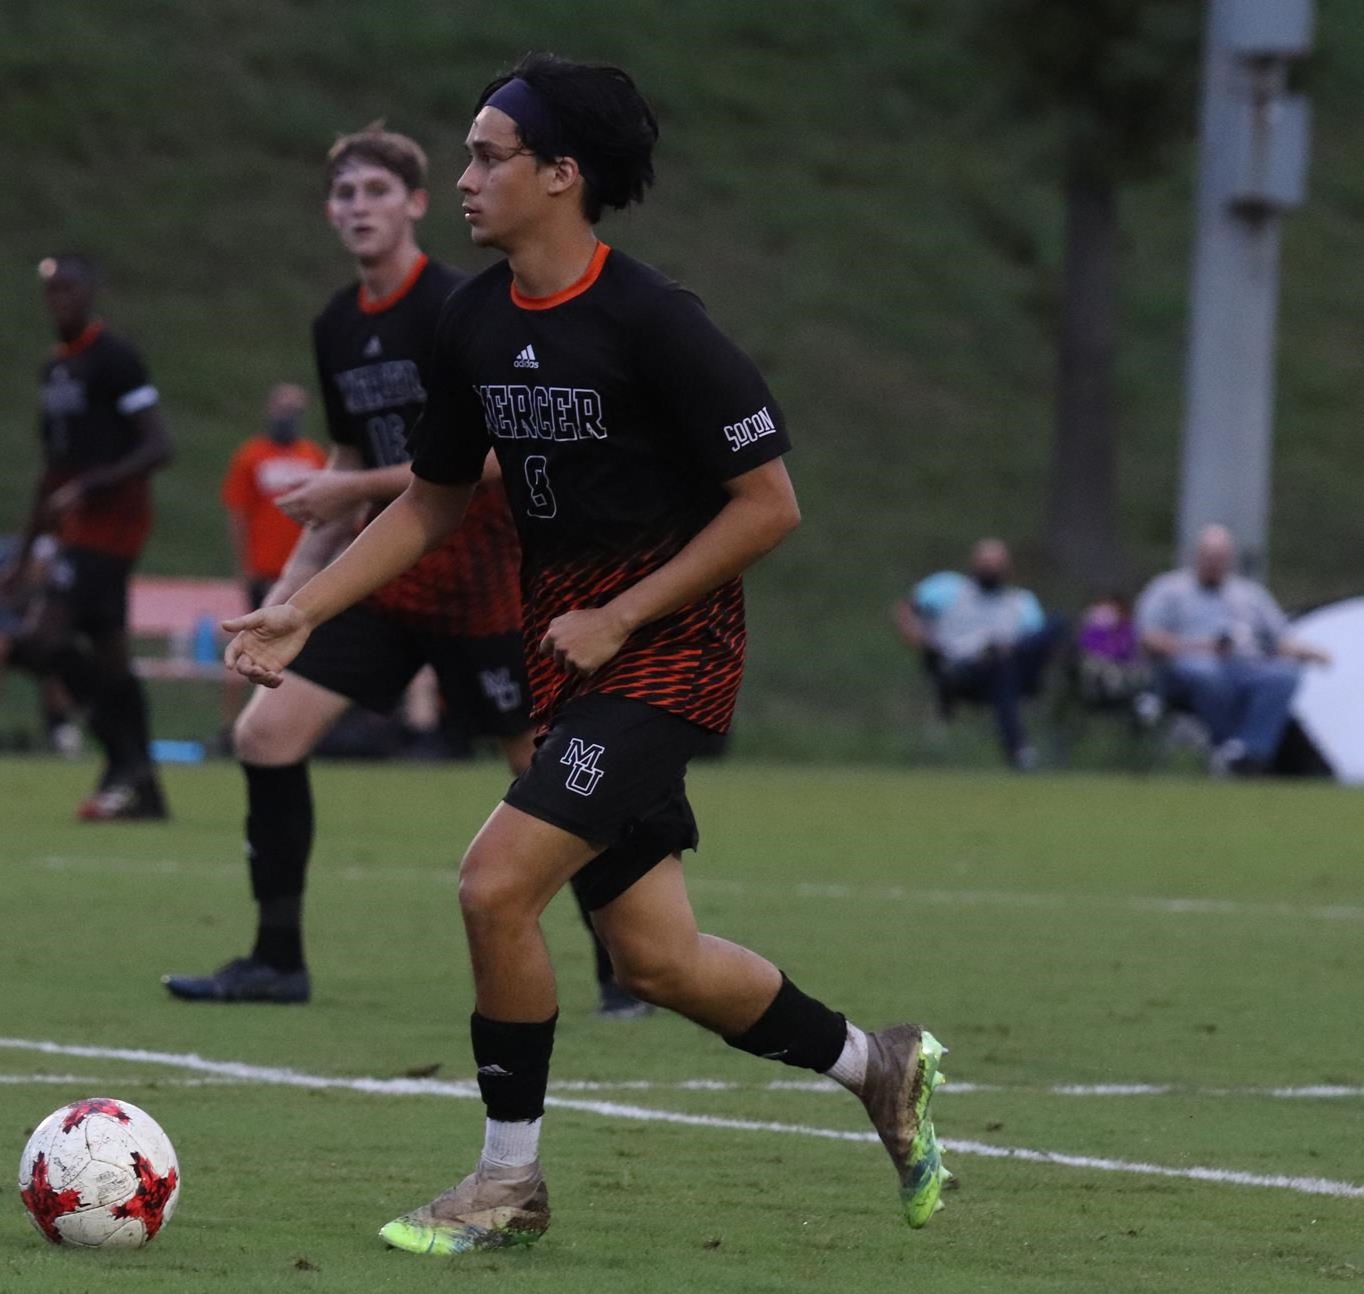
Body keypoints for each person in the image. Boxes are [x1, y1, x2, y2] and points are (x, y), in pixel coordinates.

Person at [220, 56, 949, 1253]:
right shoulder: (470, 318)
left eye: (486, 156)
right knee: (656, 959)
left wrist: (621, 615)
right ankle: (878, 1064)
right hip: (568, 663)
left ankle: (505, 1183)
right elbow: (430, 500)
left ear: (562, 175)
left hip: (669, 655)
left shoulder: (655, 321)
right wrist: (302, 609)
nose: (464, 179)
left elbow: (767, 505)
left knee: (492, 884)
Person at [164, 123, 645, 1019]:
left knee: (546, 772)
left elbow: (496, 454)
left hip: (485, 584)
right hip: (386, 581)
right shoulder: (337, 325)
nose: (359, 208)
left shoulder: (458, 306)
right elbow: (347, 464)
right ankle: (275, 960)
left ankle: (626, 970)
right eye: (344, 193)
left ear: (416, 203)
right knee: (264, 736)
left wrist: (355, 487)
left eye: (377, 191)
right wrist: (286, 601)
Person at [17, 254, 174, 820]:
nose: (58, 300)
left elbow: (158, 445)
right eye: (50, 291)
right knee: (109, 657)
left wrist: (91, 485)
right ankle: (144, 789)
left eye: (68, 289)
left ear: (90, 293)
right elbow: (52, 472)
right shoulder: (55, 370)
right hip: (77, 530)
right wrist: (22, 553)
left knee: (42, 641)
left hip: (115, 525)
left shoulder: (114, 357)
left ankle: (127, 761)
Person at [1135, 524, 1329, 776]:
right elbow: (1148, 638)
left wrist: (1312, 652)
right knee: (1205, 673)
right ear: (1196, 556)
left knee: (1283, 675)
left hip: (1244, 666)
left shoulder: (1250, 594)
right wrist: (1202, 646)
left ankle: (1249, 752)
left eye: (1220, 557)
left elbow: (1278, 640)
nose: (1214, 563)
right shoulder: (1168, 590)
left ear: (1230, 560)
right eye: (1209, 556)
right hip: (1187, 666)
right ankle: (1224, 745)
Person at [217, 382, 328, 730]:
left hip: (304, 573)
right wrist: (244, 567)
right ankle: (231, 725)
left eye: (295, 410)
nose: (288, 416)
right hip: (264, 570)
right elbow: (237, 513)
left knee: (301, 650)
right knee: (250, 645)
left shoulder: (313, 456)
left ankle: (287, 724)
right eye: (283, 408)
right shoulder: (251, 456)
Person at [892, 538, 1057, 770]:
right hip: (962, 672)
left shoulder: (1020, 601)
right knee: (999, 667)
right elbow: (906, 610)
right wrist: (928, 648)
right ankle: (1019, 750)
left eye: (996, 564)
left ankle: (1019, 750)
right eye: (985, 563)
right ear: (973, 563)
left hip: (1013, 672)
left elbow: (1038, 641)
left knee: (1053, 626)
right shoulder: (949, 589)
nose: (991, 569)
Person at [0, 534, 80, 758]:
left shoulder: (60, 568)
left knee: (58, 650)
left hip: (31, 640)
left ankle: (59, 726)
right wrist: (16, 631)